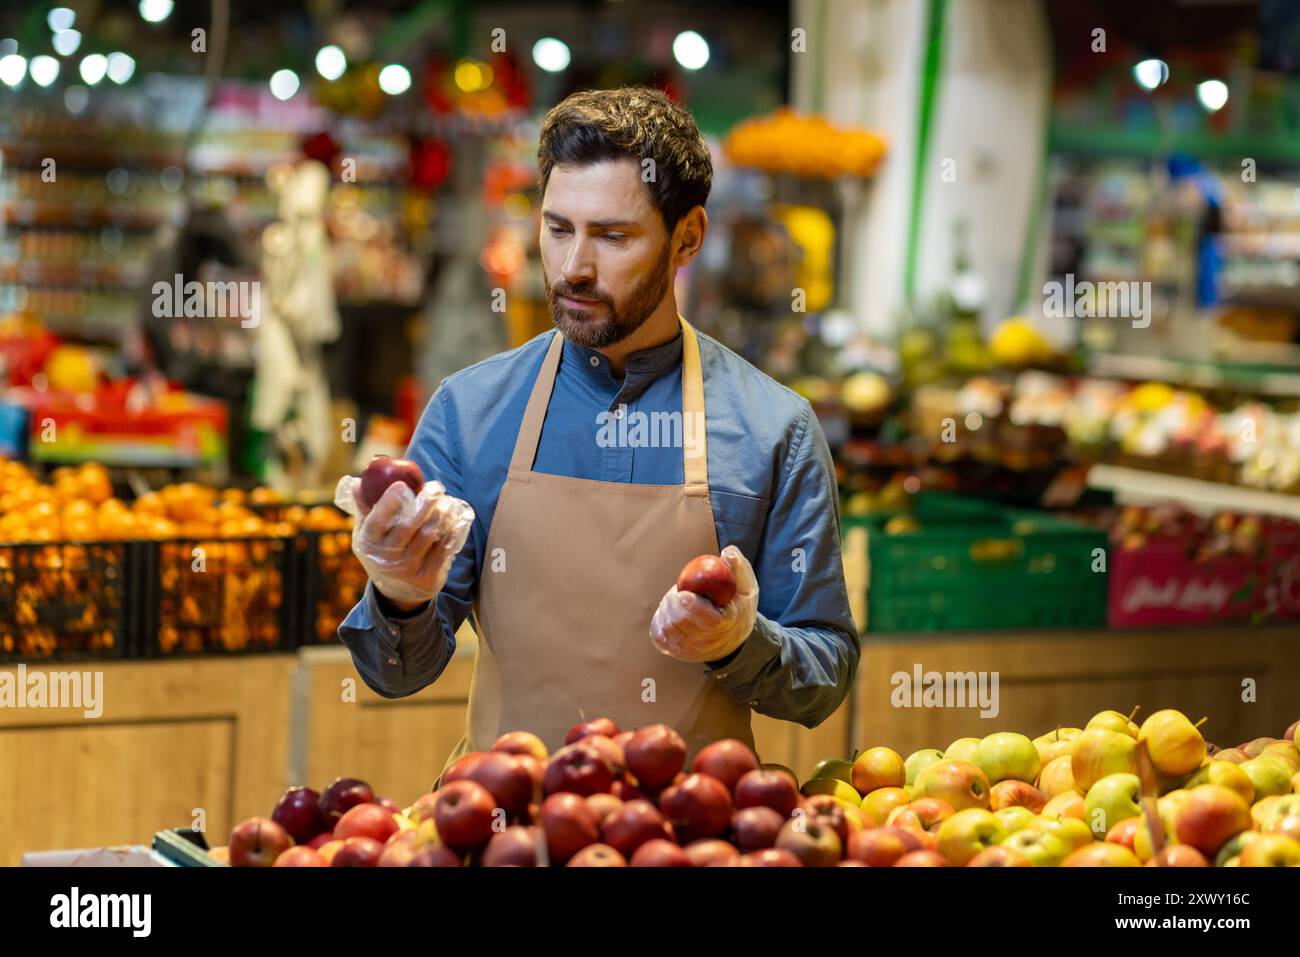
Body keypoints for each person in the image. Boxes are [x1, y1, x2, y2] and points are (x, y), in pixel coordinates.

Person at [338, 86, 858, 775]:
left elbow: (823, 677)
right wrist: (399, 593)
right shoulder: (471, 411)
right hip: (503, 829)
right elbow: (398, 672)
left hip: (690, 837)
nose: (574, 267)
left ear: (688, 237)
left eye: (612, 236)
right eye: (558, 229)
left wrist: (741, 642)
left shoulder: (774, 429)